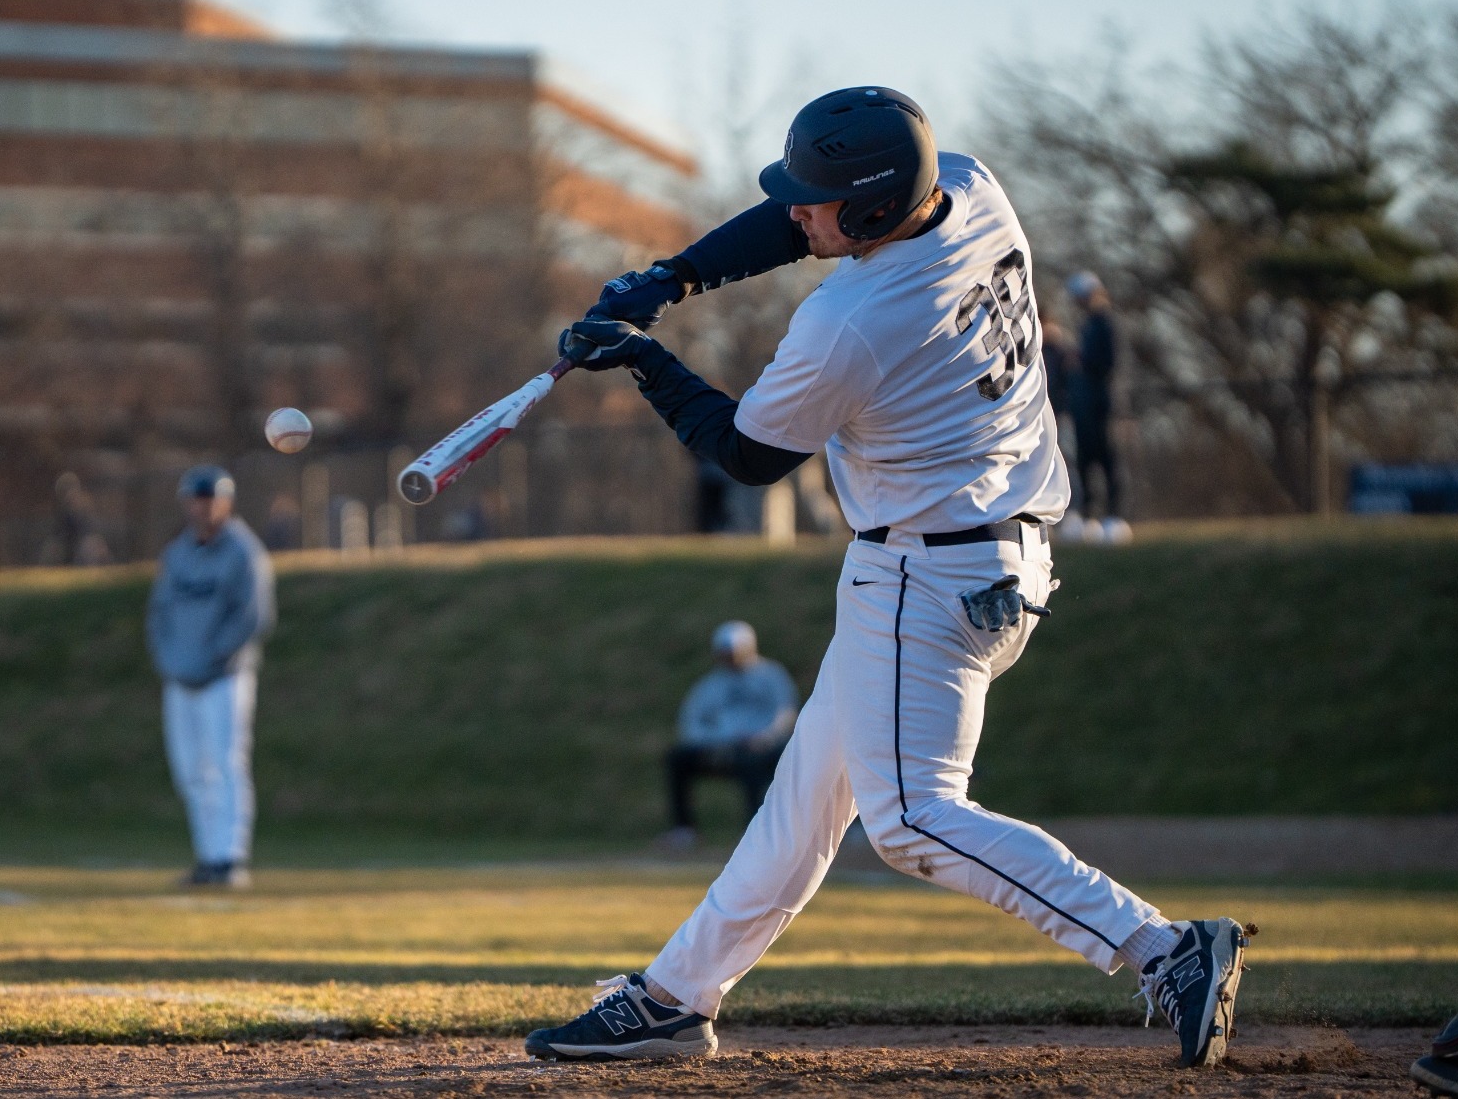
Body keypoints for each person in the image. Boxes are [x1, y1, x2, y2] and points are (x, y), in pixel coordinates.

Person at [523, 87, 1249, 1068]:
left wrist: (643, 361)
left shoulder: (851, 320)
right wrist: (674, 276)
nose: (795, 213)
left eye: (817, 200)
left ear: (867, 212)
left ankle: (1160, 948)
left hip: (925, 575)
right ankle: (674, 997)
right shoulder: (964, 186)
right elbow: (791, 227)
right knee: (803, 802)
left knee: (909, 821)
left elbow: (744, 457)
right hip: (995, 557)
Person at [146, 465, 275, 888]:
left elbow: (252, 618)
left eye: (210, 498)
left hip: (223, 677)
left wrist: (211, 660)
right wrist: (172, 661)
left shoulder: (243, 551)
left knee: (226, 763)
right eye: (195, 499)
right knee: (191, 770)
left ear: (226, 502)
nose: (202, 507)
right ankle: (206, 855)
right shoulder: (178, 553)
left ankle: (229, 857)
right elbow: (159, 614)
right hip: (180, 677)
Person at [659, 621, 799, 851]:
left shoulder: (770, 676)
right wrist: (712, 741)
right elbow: (692, 720)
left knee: (751, 763)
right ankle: (685, 829)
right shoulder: (713, 684)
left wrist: (764, 738)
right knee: (677, 758)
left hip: (762, 749)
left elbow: (785, 713)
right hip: (722, 748)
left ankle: (754, 831)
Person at [1066, 271, 1129, 542]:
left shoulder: (1108, 324)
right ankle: (1089, 514)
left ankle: (1115, 516)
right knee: (1085, 460)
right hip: (1086, 406)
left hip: (1105, 404)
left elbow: (1109, 365)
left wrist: (1084, 363)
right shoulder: (1087, 325)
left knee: (1109, 460)